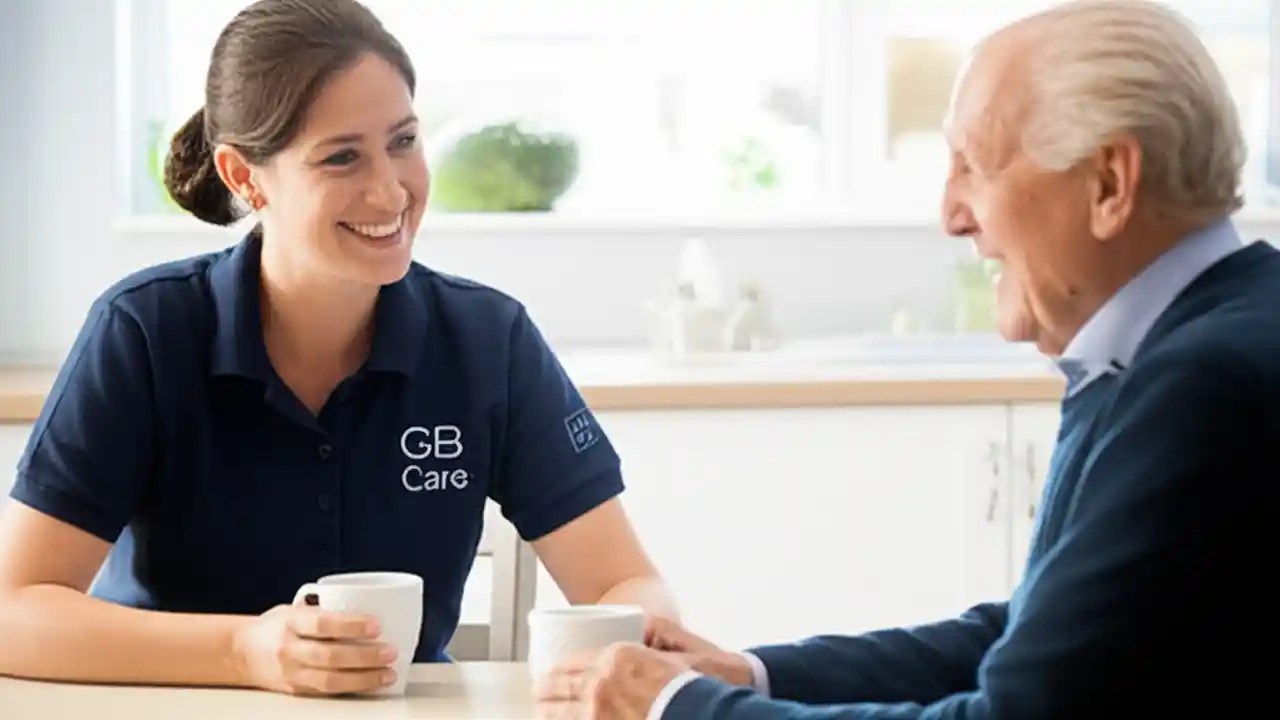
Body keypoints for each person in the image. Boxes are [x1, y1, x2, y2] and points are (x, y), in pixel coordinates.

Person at [535, 1, 1278, 717]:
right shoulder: (1220, 329)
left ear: (1109, 185)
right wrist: (751, 676)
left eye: (973, 166)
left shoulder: (1199, 388)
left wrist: (677, 709)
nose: (951, 215)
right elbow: (1038, 640)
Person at [0, 0, 677, 698]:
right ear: (244, 176)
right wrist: (244, 650)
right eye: (342, 157)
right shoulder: (143, 331)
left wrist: (648, 636)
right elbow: (13, 611)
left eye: (404, 141)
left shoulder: (488, 340)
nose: (390, 189)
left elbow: (621, 580)